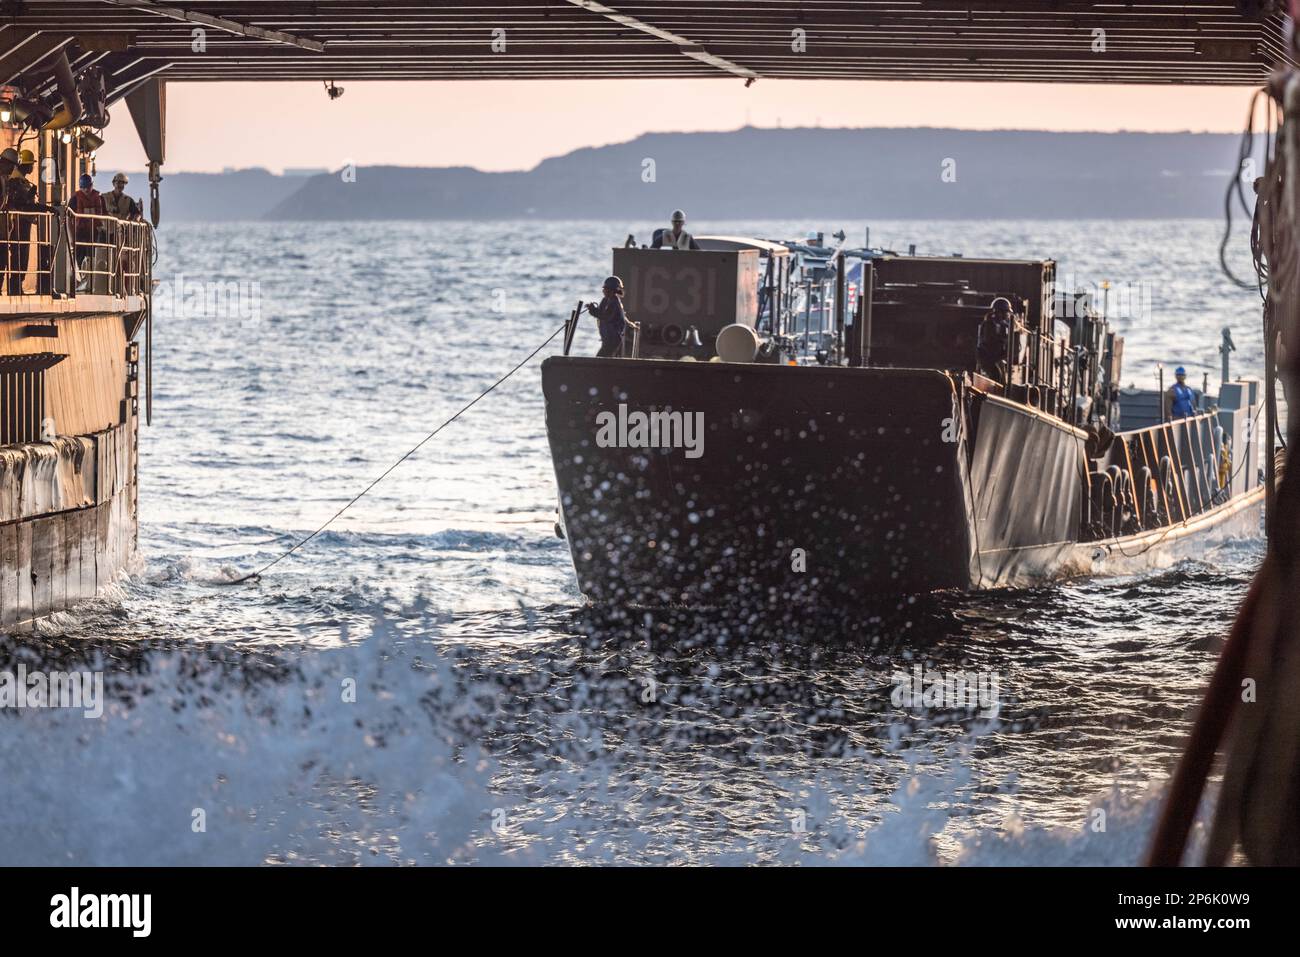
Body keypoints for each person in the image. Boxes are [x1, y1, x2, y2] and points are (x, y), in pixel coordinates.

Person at [4, 149, 43, 294]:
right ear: (26, 166)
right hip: (19, 223)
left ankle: (16, 285)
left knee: (20, 254)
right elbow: (22, 204)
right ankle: (15, 286)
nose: (32, 167)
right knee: (19, 254)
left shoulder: (21, 180)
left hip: (21, 222)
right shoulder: (16, 181)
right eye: (31, 164)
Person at [586, 275, 638, 358]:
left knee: (601, 359)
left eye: (606, 289)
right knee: (603, 359)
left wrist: (593, 310)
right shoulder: (605, 300)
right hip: (606, 338)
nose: (604, 291)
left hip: (613, 339)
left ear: (613, 291)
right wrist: (592, 309)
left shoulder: (614, 303)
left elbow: (606, 317)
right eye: (604, 289)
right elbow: (599, 313)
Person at [70, 172, 106, 266]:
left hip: (96, 232)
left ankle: (92, 277)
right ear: (80, 186)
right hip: (80, 233)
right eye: (84, 186)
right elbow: (68, 218)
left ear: (92, 185)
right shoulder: (75, 199)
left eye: (88, 186)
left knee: (95, 256)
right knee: (80, 257)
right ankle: (82, 275)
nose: (86, 189)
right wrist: (71, 237)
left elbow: (106, 215)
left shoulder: (100, 198)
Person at [977, 296, 1013, 381]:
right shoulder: (989, 325)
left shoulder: (1001, 325)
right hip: (987, 357)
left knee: (1002, 378)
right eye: (1006, 312)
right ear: (1000, 312)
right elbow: (990, 343)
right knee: (996, 376)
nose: (1007, 315)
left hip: (995, 358)